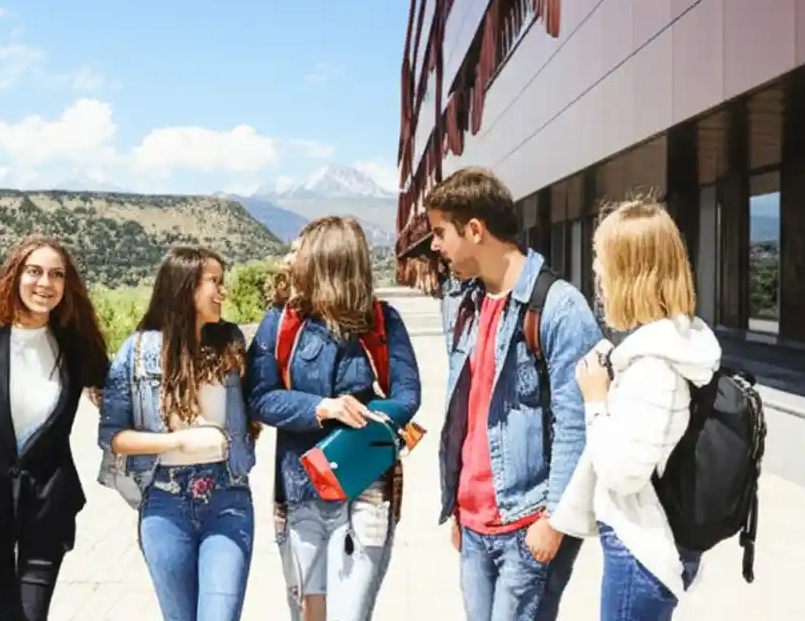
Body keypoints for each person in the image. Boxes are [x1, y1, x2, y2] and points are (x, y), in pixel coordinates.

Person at [425, 168, 602, 621]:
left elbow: (576, 425)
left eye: (441, 232)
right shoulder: (463, 303)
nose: (435, 245)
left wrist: (553, 521)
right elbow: (466, 410)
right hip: (474, 523)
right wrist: (461, 507)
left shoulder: (559, 307)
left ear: (476, 230)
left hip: (528, 524)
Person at [248, 216, 422, 621]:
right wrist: (322, 408)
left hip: (368, 487)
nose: (294, 260)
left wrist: (359, 417)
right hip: (299, 489)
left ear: (328, 260)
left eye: (304, 251)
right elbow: (259, 397)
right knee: (308, 614)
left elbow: (408, 396)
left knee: (352, 614)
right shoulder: (281, 322)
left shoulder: (382, 319)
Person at [554, 198, 720, 620]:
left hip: (639, 552)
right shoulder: (671, 344)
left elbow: (623, 473)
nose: (597, 272)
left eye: (602, 259)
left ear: (631, 271)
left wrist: (595, 398)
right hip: (649, 547)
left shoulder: (652, 366)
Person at [0, 236, 109, 621]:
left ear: (67, 286)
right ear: (15, 276)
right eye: (35, 271)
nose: (45, 283)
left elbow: (115, 393)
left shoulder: (75, 348)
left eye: (56, 275)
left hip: (48, 504)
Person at [98, 246, 257, 621]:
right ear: (185, 285)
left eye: (223, 282)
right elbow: (113, 436)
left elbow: (256, 406)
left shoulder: (230, 341)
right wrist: (178, 441)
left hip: (227, 497)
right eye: (214, 282)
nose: (223, 292)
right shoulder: (136, 352)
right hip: (165, 504)